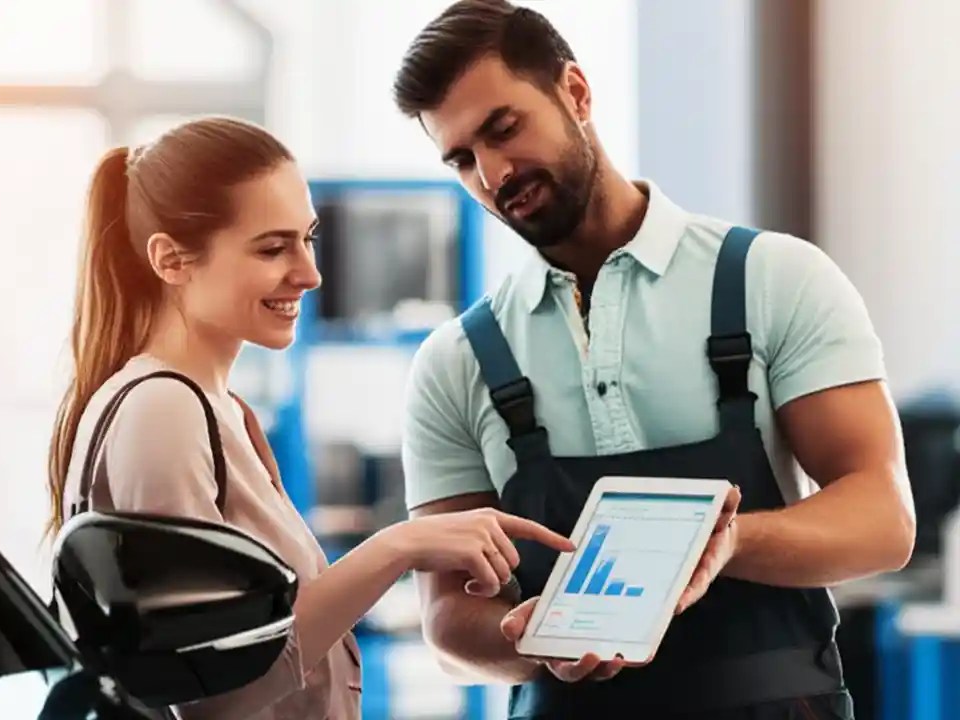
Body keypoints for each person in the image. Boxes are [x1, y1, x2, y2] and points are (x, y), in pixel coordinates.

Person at [391, 1, 915, 718]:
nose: (492, 173)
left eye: (503, 129)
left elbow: (881, 519)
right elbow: (447, 620)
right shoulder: (457, 361)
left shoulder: (772, 281)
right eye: (461, 159)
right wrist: (528, 641)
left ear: (575, 92)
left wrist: (725, 543)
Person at [44, 116, 574, 720]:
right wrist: (397, 548)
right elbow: (207, 692)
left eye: (308, 239)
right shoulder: (161, 408)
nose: (310, 274)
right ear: (170, 260)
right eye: (272, 248)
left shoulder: (217, 409)